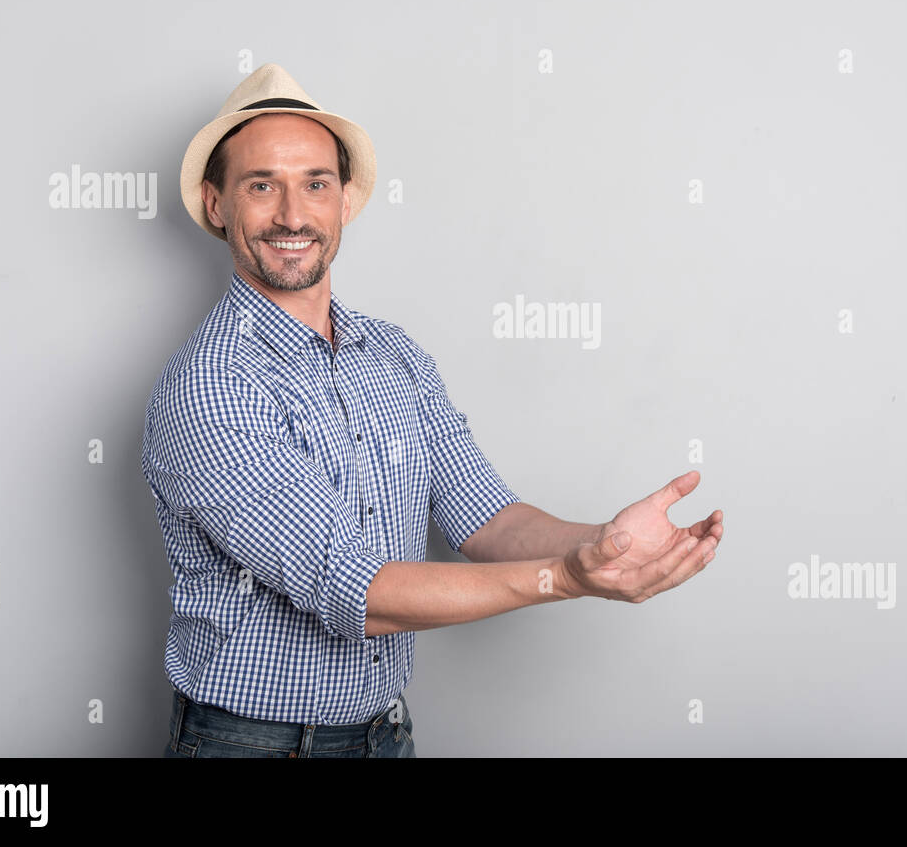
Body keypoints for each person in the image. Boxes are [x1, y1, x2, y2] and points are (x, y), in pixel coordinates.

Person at [142, 64, 725, 758]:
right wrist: (566, 579)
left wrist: (605, 545)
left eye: (315, 184)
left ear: (345, 201)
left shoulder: (396, 356)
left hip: (385, 734)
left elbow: (488, 519)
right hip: (252, 746)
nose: (293, 214)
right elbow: (357, 594)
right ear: (216, 204)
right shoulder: (209, 386)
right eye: (261, 184)